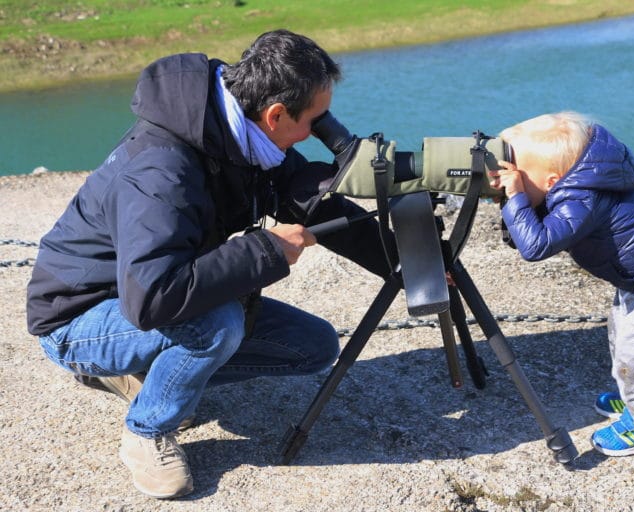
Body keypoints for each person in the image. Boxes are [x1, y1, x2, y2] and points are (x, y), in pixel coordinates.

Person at [27, 29, 393, 499]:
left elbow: (309, 199)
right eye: (317, 121)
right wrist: (263, 251)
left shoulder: (239, 134)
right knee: (216, 324)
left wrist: (399, 260)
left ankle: (142, 369)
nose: (320, 133)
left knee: (313, 346)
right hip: (80, 316)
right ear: (276, 114)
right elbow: (151, 298)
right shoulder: (161, 172)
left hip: (144, 294)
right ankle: (146, 429)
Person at [487, 111, 634, 457]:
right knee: (621, 336)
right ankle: (632, 395)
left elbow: (536, 246)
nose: (510, 177)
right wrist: (513, 198)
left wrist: (516, 199)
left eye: (518, 174)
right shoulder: (576, 185)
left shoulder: (581, 199)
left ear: (553, 181)